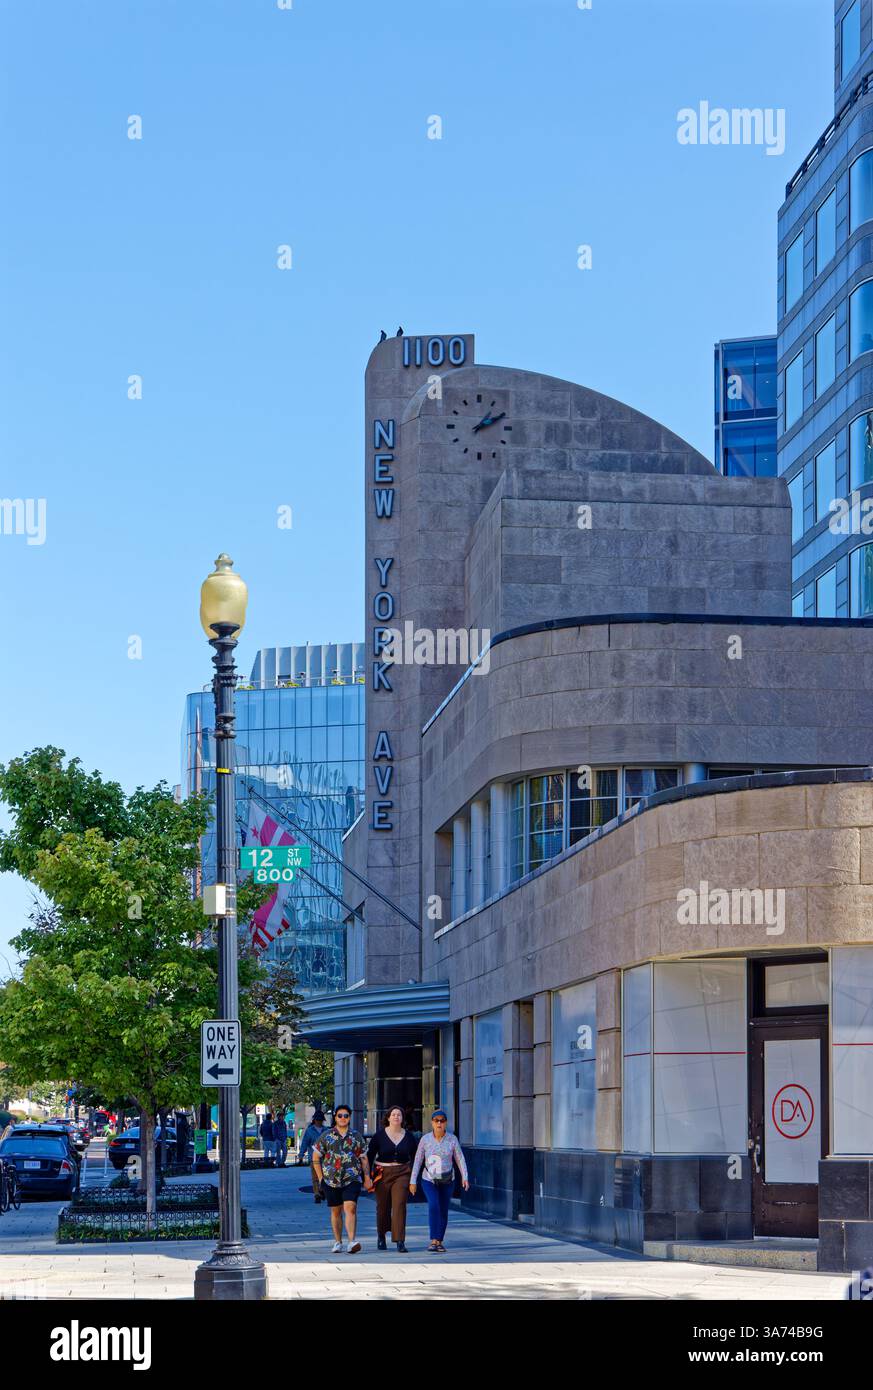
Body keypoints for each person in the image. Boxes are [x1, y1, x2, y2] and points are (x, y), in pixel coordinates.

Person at [311, 1105, 372, 1254]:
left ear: (350, 1117)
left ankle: (352, 1241)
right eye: (340, 1115)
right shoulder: (327, 1135)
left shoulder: (356, 1136)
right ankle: (338, 1241)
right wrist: (320, 1179)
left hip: (352, 1179)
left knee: (350, 1208)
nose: (343, 1118)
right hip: (331, 1180)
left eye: (346, 1115)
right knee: (336, 1211)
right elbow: (316, 1157)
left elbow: (364, 1158)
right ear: (335, 1117)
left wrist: (367, 1177)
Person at [410, 1109, 469, 1252]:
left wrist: (465, 1177)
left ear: (446, 1123)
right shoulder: (425, 1140)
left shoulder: (452, 1139)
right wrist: (413, 1181)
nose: (439, 1123)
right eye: (436, 1120)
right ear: (432, 1122)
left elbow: (459, 1158)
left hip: (447, 1179)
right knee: (434, 1205)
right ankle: (433, 1240)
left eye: (442, 1121)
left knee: (443, 1209)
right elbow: (418, 1160)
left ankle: (439, 1241)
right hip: (429, 1179)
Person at [367, 1105, 417, 1253]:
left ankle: (400, 1240)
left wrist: (414, 1178)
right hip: (382, 1172)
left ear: (402, 1119)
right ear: (388, 1118)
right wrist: (367, 1176)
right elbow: (370, 1156)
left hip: (402, 1172)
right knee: (382, 1207)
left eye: (399, 1115)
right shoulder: (379, 1136)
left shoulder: (409, 1137)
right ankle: (381, 1236)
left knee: (399, 1205)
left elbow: (416, 1157)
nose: (396, 1117)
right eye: (393, 1114)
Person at [299, 1110, 328, 1201]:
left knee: (325, 1176)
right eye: (317, 1120)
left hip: (325, 1158)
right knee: (315, 1177)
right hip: (313, 1157)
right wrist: (301, 1154)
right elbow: (304, 1143)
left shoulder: (326, 1130)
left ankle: (321, 1189)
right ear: (314, 1120)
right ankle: (317, 1194)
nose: (319, 1121)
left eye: (320, 1120)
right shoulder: (310, 1131)